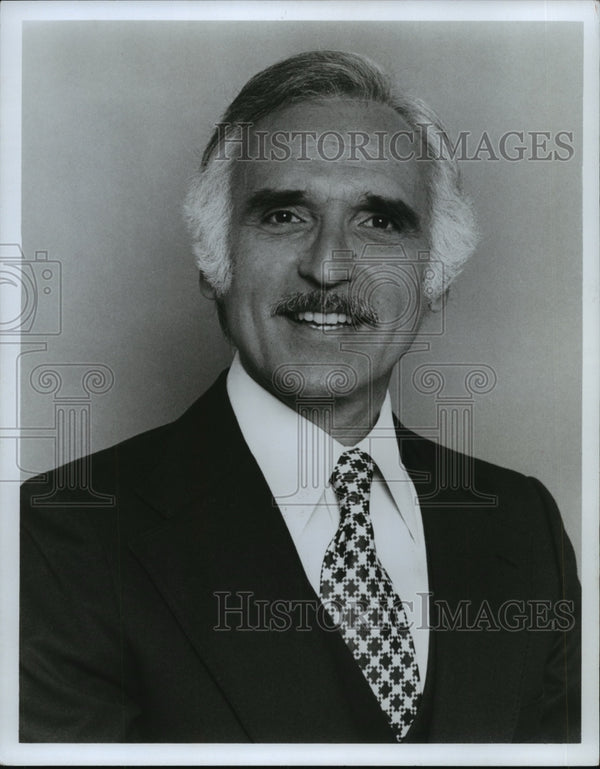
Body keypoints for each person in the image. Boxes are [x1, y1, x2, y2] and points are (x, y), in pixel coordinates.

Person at [20, 50, 580, 743]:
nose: (327, 267)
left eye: (380, 221)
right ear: (213, 261)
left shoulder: (523, 531)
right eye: (284, 214)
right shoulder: (58, 538)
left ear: (436, 276)